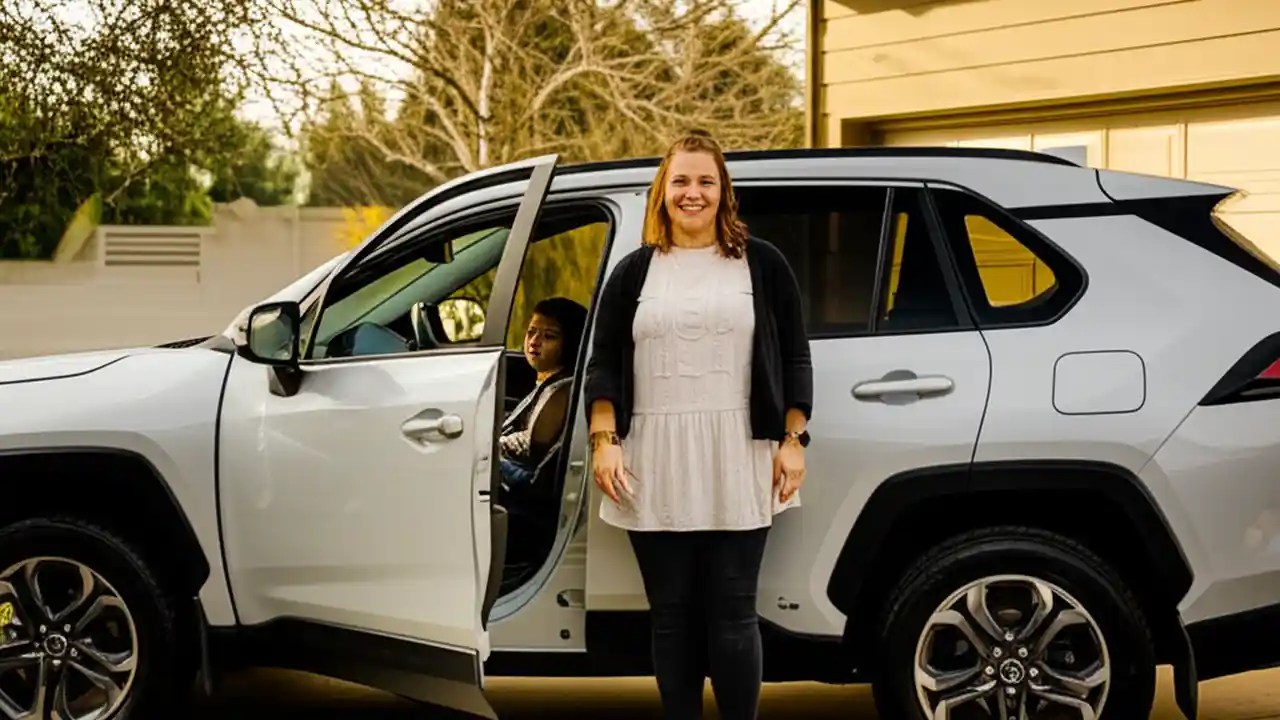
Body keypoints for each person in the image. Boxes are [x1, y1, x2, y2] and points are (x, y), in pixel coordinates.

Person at [582, 129, 813, 720]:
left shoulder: (762, 263)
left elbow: (794, 357)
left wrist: (793, 440)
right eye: (681, 181)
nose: (693, 193)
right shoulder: (635, 272)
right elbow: (603, 360)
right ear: (663, 190)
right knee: (672, 616)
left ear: (723, 191)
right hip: (652, 457)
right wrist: (605, 440)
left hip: (738, 452)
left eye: (706, 181)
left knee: (734, 612)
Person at [498, 296, 588, 489]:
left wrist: (489, 446)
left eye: (549, 336)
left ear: (570, 343)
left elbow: (533, 447)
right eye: (531, 332)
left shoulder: (561, 391)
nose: (534, 341)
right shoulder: (548, 382)